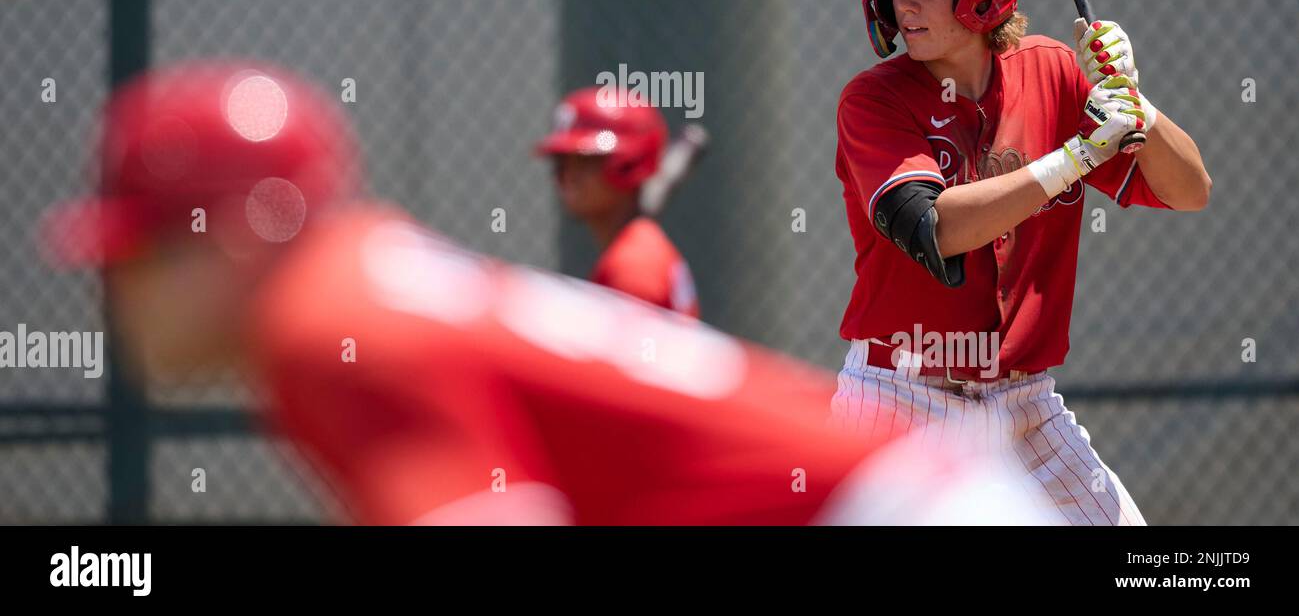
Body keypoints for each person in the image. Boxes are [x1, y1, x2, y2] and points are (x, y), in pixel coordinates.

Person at [41, 60, 1049, 525]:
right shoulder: (360, 284)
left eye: (143, 253)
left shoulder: (325, 330)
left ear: (229, 239)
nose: (122, 293)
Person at [833, 0, 1212, 525]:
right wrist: (1075, 158)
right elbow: (937, 228)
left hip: (1024, 403)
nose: (906, 3)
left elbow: (1189, 189)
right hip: (902, 398)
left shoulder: (1052, 72)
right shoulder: (873, 100)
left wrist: (1137, 103)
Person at [535, 87, 698, 317]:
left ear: (628, 164)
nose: (568, 177)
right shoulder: (636, 250)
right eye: (561, 163)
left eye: (583, 161)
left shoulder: (632, 269)